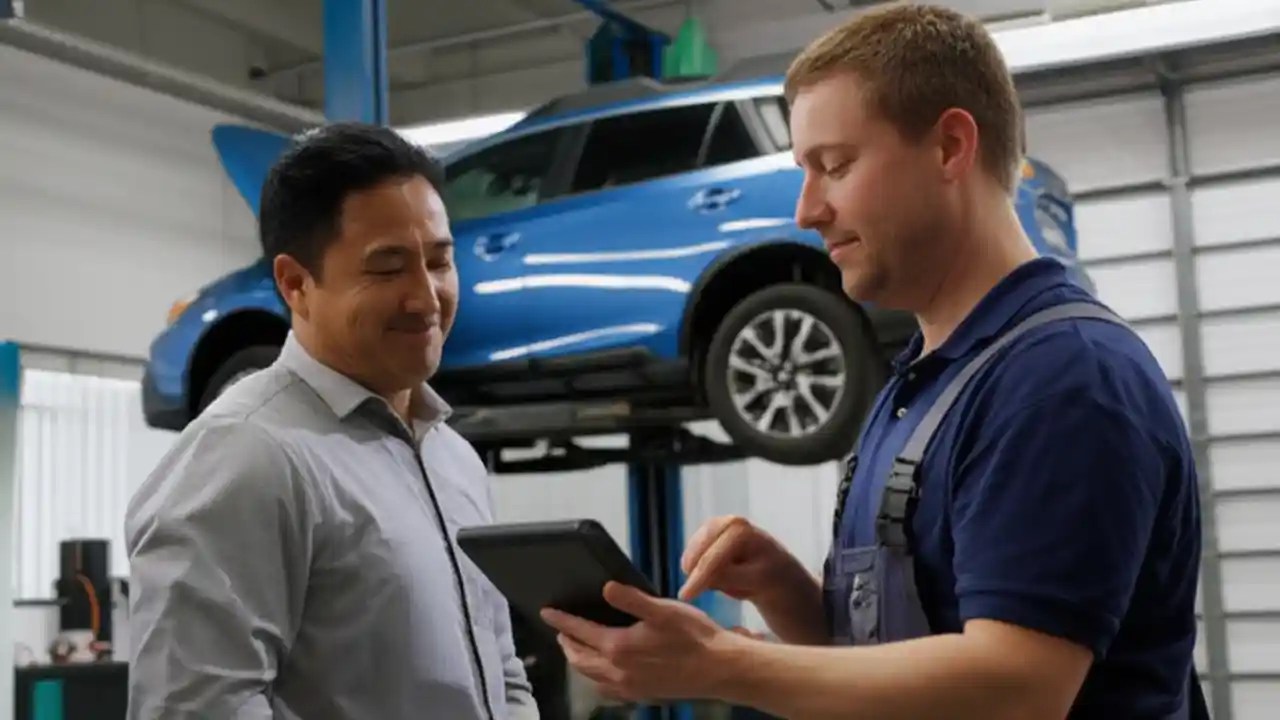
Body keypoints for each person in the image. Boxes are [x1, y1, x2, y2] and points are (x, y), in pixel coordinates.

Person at [540, 4, 1207, 719]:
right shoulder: (924, 381)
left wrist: (725, 665)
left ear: (950, 147)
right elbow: (896, 664)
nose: (806, 211)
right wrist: (785, 591)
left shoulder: (1061, 380)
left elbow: (1018, 687)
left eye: (835, 166)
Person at [125, 123, 538, 720]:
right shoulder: (247, 456)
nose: (427, 297)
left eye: (439, 261)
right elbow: (197, 709)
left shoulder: (453, 458)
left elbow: (500, 673)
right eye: (388, 268)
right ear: (296, 283)